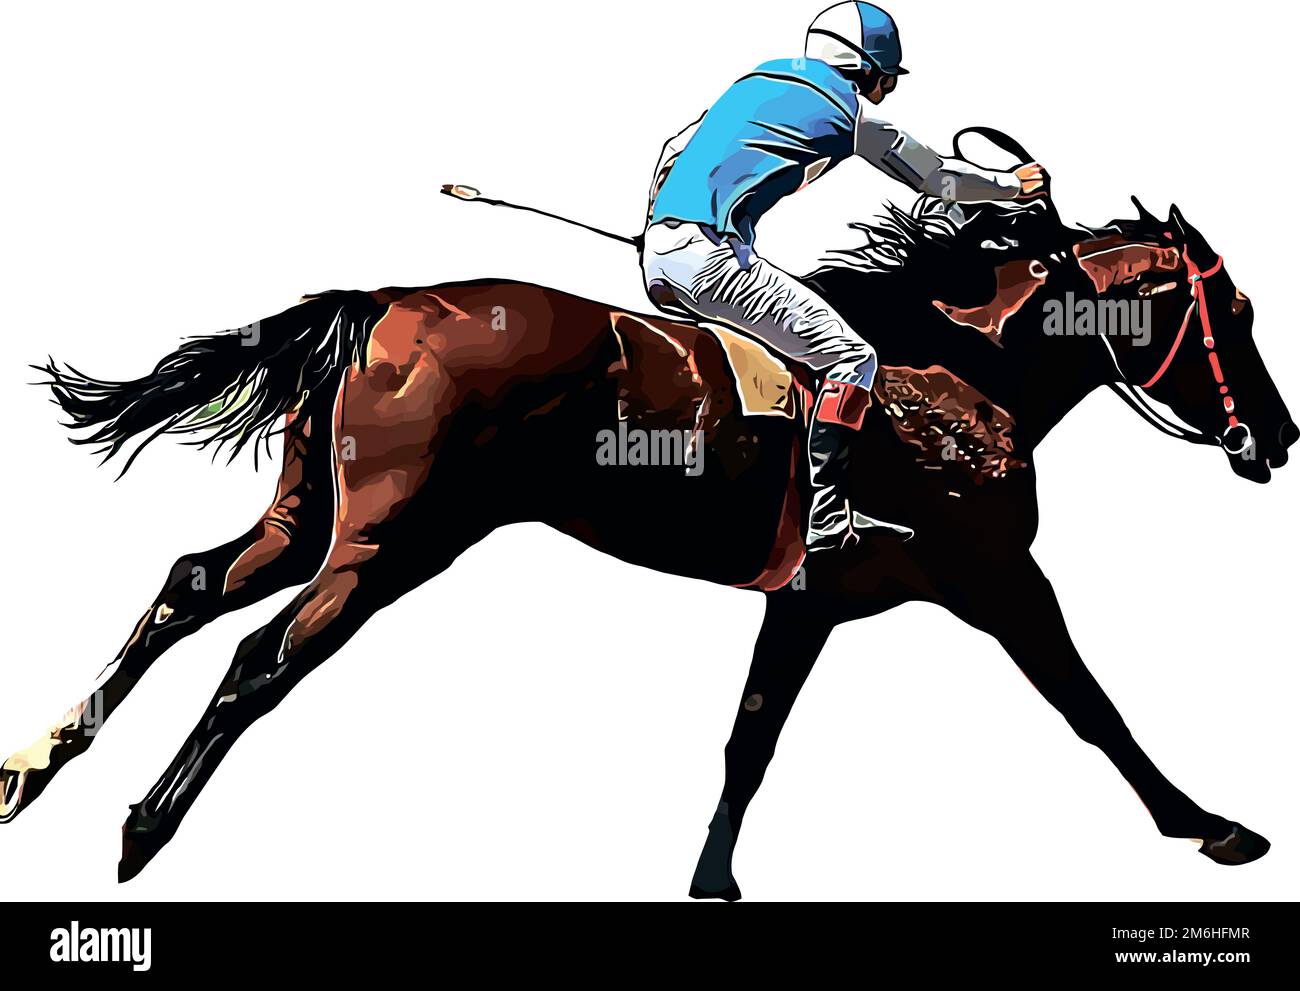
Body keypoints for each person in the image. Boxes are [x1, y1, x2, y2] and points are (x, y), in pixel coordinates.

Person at [642, 1, 1047, 551]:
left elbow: (673, 150)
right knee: (853, 359)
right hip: (710, 260)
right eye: (888, 81)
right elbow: (936, 179)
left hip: (662, 253)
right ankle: (829, 520)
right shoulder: (845, 108)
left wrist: (659, 234)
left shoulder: (754, 81)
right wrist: (1011, 187)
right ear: (870, 70)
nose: (886, 92)